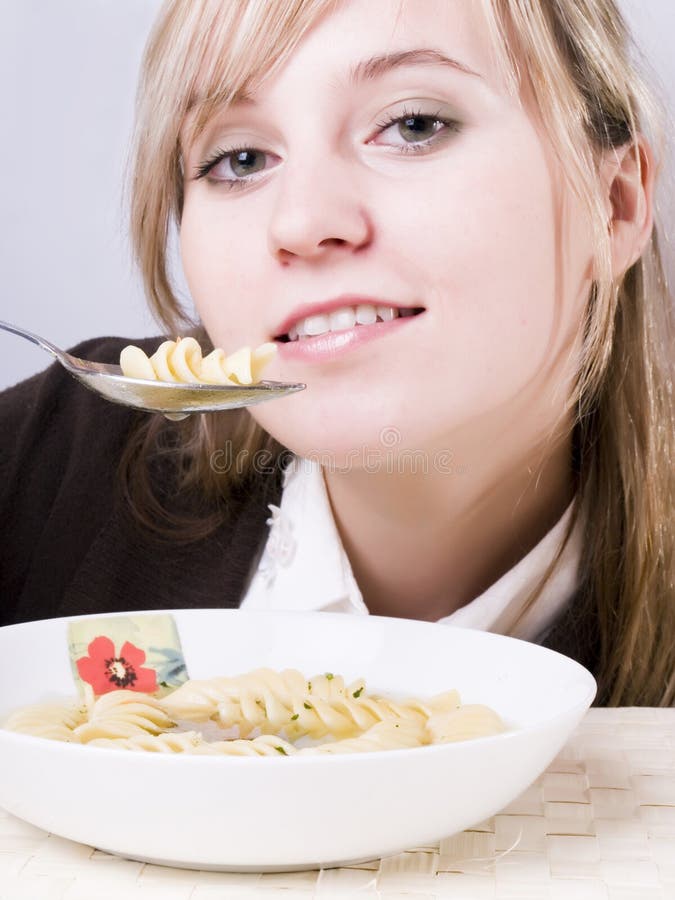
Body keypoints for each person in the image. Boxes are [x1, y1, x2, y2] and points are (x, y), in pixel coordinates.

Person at [1, 0, 673, 707]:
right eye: (241, 159)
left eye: (413, 125)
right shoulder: (55, 460)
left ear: (615, 204)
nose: (302, 220)